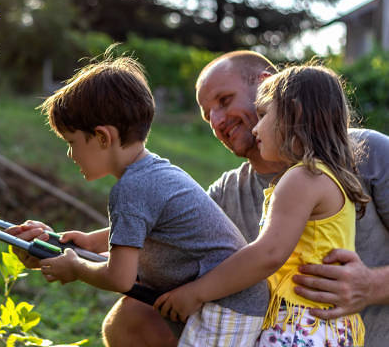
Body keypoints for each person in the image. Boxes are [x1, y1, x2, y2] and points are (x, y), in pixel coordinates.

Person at [25, 52, 269, 345]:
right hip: (241, 302)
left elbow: (120, 278)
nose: (70, 154)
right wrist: (88, 243)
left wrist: (76, 268)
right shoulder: (156, 171)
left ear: (103, 137)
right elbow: (155, 229)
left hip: (230, 305)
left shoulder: (130, 189)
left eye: (72, 143)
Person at [155, 65, 368, 345]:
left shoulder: (302, 178)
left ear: (295, 114)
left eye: (264, 114)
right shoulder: (330, 176)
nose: (256, 127)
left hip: (300, 322)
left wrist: (196, 292)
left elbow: (267, 254)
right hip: (330, 327)